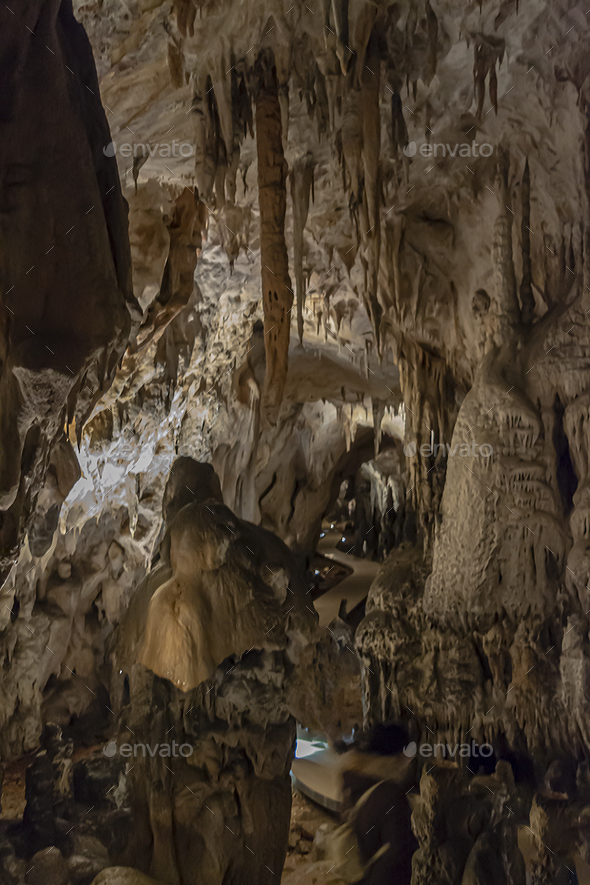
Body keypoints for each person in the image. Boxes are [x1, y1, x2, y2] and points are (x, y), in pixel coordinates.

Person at [339, 722, 418, 885]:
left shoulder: (354, 781)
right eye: (408, 752)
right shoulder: (392, 796)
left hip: (360, 875)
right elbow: (398, 853)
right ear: (398, 755)